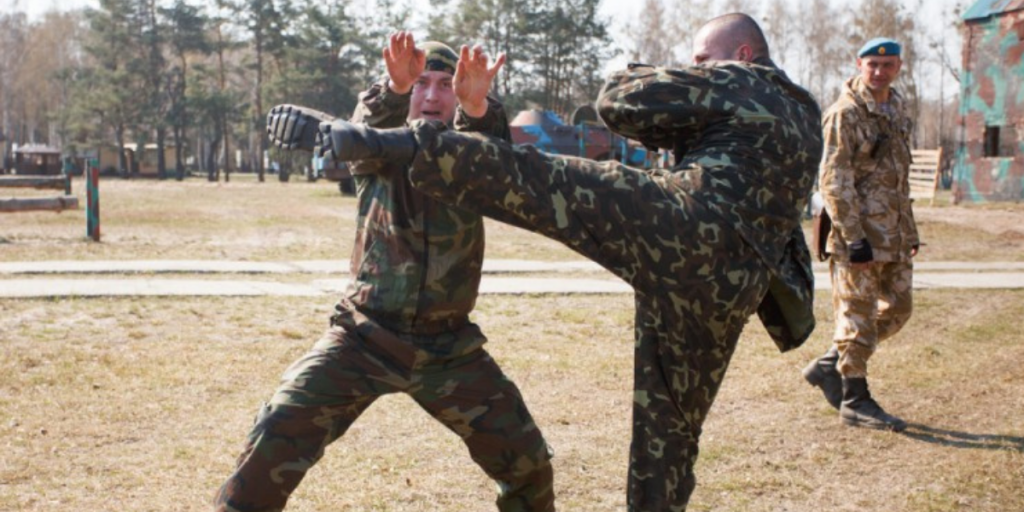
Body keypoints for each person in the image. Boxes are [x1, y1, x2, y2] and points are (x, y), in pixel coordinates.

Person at [285, 13, 823, 510]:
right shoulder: (806, 114)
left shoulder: (742, 78)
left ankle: (395, 145)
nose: (697, 69)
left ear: (743, 53)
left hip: (679, 228)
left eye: (702, 60)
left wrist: (672, 78)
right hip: (729, 286)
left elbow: (619, 100)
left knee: (539, 178)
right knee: (673, 430)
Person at [215, 33, 554, 511]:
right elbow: (362, 136)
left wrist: (477, 108)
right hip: (365, 336)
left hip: (448, 348)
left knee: (528, 462)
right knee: (275, 434)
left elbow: (499, 163)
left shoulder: (472, 155)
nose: (433, 96)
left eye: (445, 85)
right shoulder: (376, 146)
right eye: (421, 84)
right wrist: (393, 89)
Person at [802, 37, 919, 432]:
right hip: (858, 239)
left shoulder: (898, 111)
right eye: (872, 64)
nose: (879, 71)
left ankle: (829, 364)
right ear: (859, 64)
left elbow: (898, 177)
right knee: (856, 315)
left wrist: (909, 229)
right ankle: (855, 398)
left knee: (899, 309)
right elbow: (834, 180)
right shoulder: (844, 114)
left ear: (898, 67)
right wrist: (853, 238)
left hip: (894, 236)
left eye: (887, 65)